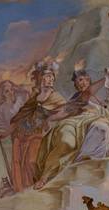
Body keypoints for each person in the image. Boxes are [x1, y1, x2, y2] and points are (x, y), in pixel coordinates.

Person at [33, 67, 109, 187]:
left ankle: (87, 163)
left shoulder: (97, 99)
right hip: (77, 123)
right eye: (78, 82)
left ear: (88, 80)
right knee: (66, 142)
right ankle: (45, 176)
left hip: (92, 123)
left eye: (83, 80)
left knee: (101, 128)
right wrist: (49, 119)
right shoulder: (80, 96)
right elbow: (64, 112)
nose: (81, 83)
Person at [7, 61, 64, 192]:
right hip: (22, 134)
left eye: (51, 77)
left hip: (39, 134)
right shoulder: (35, 95)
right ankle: (23, 191)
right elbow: (23, 112)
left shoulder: (56, 97)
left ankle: (36, 188)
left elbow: (65, 111)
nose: (49, 80)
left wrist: (50, 117)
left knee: (32, 161)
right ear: (40, 78)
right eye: (46, 77)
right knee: (20, 164)